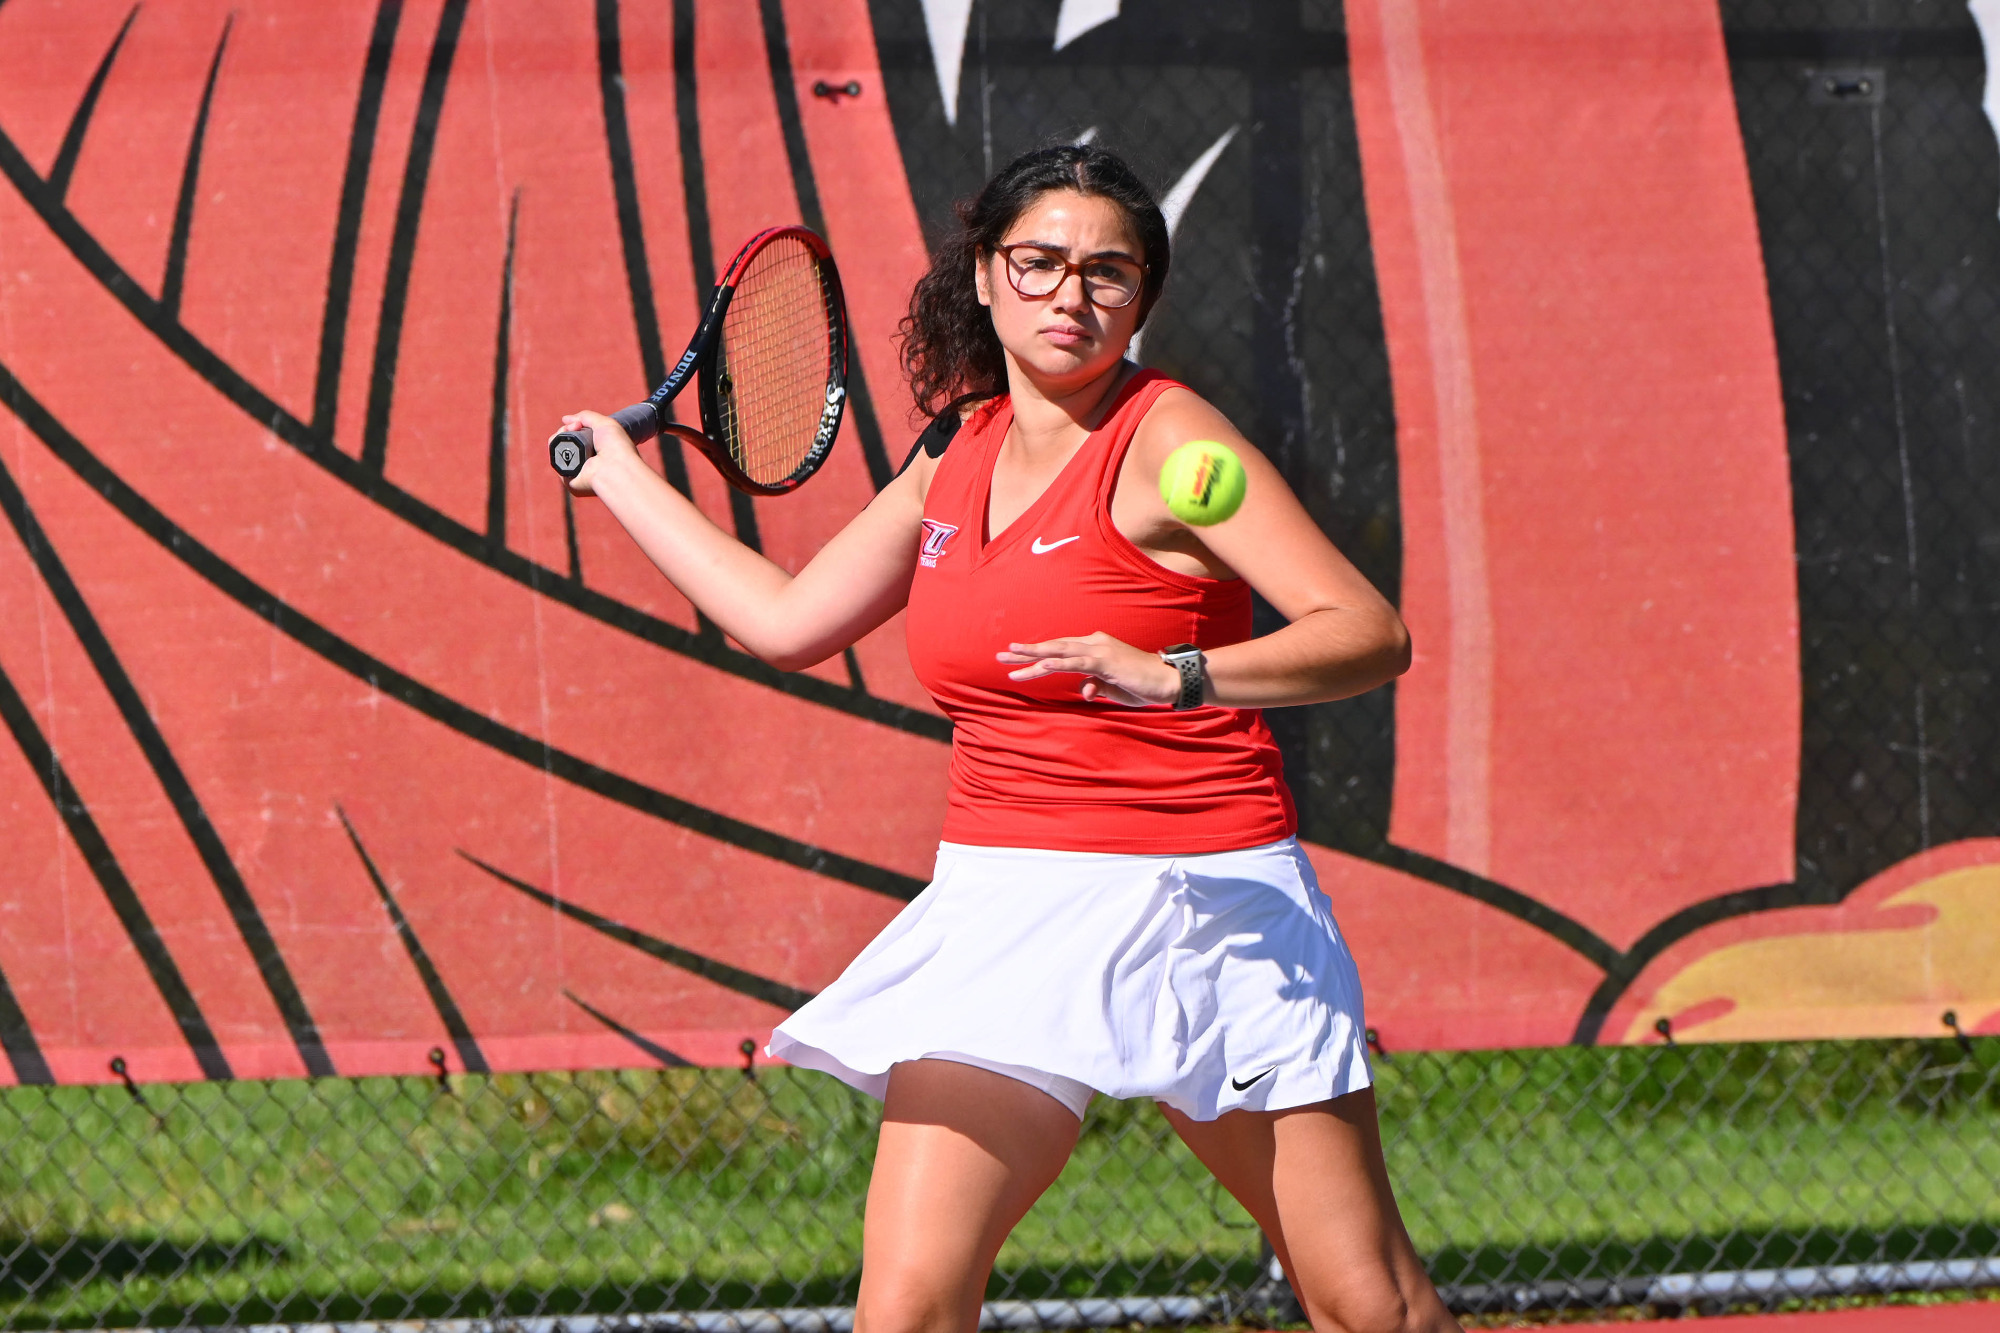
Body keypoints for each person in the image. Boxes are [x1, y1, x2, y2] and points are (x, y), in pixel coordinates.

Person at [560, 144, 1458, 1333]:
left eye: (1107, 273)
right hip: (1004, 903)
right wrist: (622, 479)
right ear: (984, 276)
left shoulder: (1171, 442)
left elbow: (1367, 633)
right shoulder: (952, 449)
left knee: (1366, 1304)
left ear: (1141, 296)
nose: (1069, 297)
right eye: (1037, 263)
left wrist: (1177, 672)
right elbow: (785, 622)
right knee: (909, 1306)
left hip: (1203, 903)